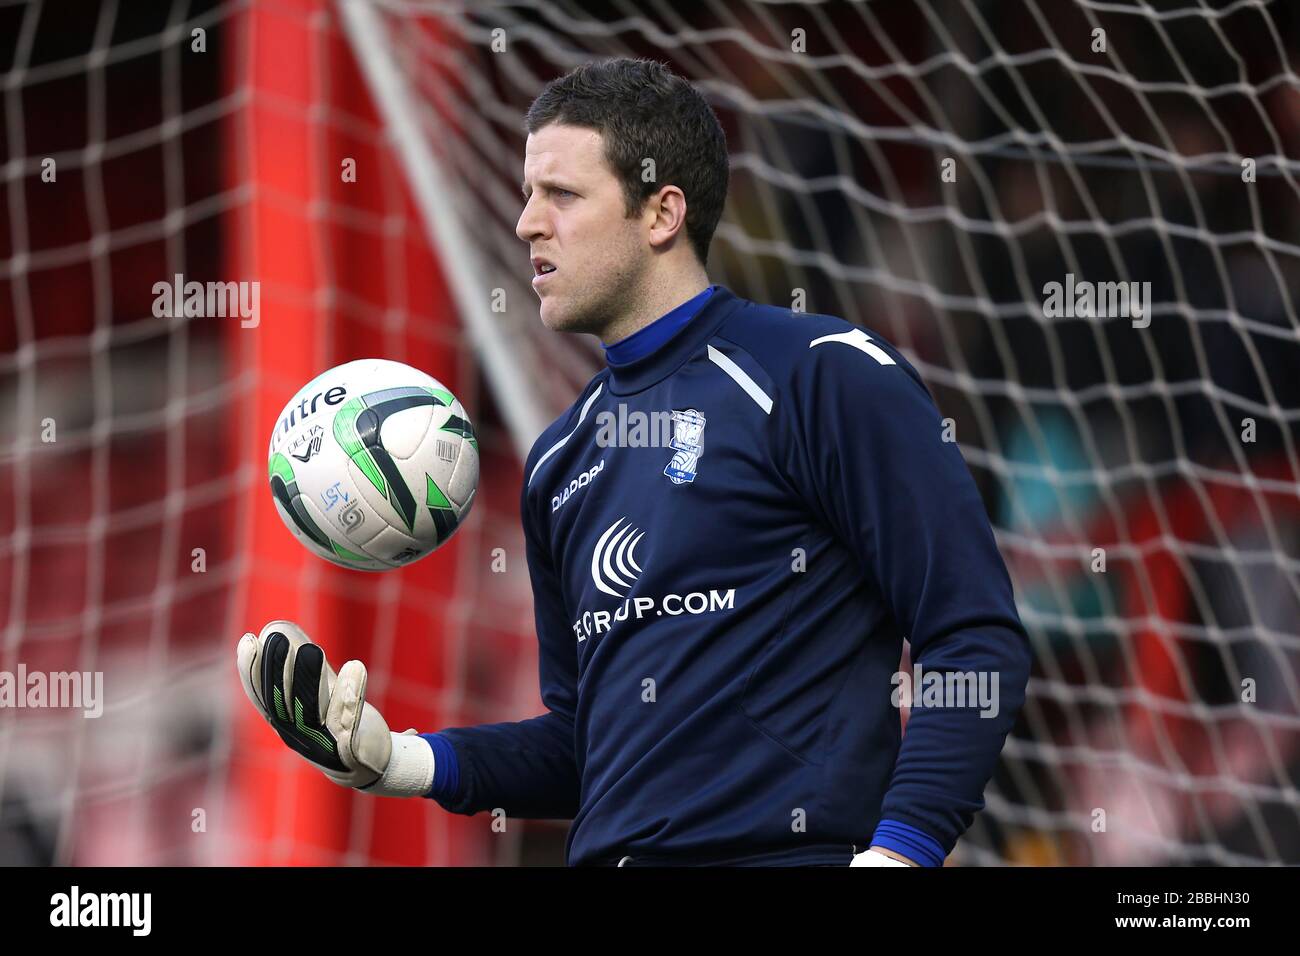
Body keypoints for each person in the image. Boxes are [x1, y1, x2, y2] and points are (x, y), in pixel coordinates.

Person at [238, 57, 1031, 867]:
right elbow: (586, 744)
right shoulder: (559, 462)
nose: (527, 224)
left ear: (661, 214)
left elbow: (972, 636)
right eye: (525, 193)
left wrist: (903, 851)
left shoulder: (819, 374)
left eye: (563, 195)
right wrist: (400, 760)